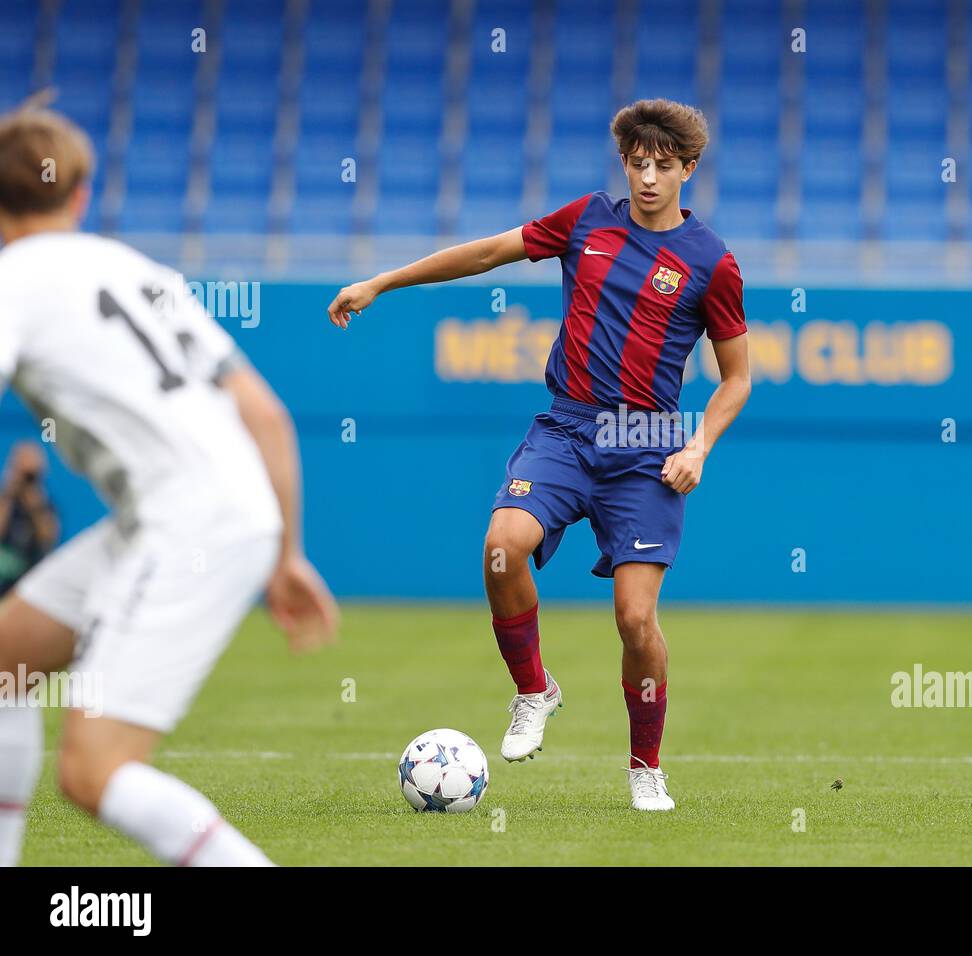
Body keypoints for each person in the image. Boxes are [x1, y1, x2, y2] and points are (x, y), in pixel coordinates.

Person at [327, 99, 750, 811]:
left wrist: (699, 445)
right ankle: (534, 691)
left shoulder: (712, 262)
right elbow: (489, 251)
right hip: (567, 428)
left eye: (664, 165)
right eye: (637, 162)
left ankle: (645, 766)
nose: (648, 177)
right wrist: (381, 281)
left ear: (689, 169)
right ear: (625, 162)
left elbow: (737, 377)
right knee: (502, 546)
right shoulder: (587, 219)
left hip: (646, 446)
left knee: (635, 621)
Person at [0, 103, 338, 867]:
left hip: (187, 523)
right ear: (79, 196)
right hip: (209, 512)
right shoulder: (135, 269)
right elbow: (268, 416)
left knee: (93, 771)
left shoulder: (12, 283)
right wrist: (287, 553)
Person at [0, 442, 58, 596]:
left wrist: (35, 502)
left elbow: (48, 538)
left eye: (30, 476)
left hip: (25, 588)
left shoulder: (44, 507)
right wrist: (9, 493)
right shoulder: (5, 499)